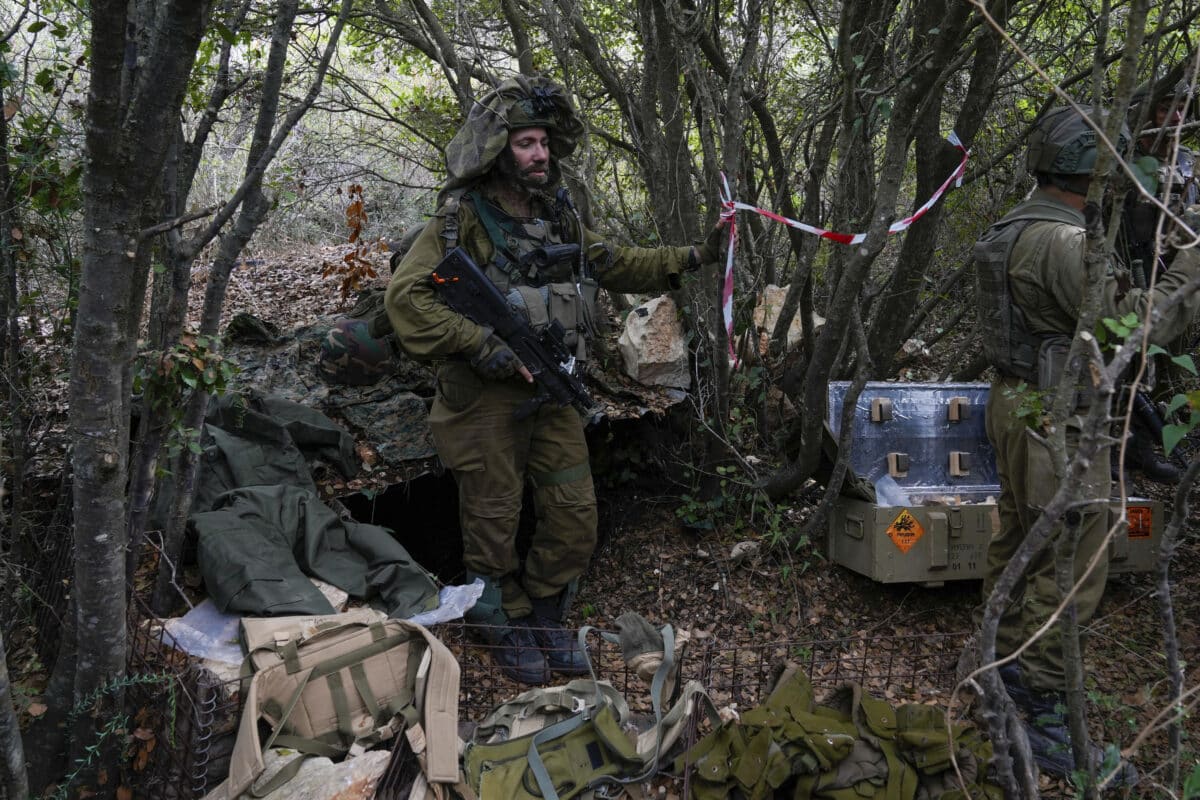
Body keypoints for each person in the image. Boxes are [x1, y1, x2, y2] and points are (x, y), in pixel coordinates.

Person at [385, 75, 723, 684]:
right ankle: (501, 620)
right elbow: (407, 298)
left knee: (574, 512)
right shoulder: (463, 220)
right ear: (499, 151)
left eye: (544, 142)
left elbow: (612, 261)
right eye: (526, 144)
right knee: (492, 519)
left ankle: (544, 612)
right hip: (484, 397)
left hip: (551, 388)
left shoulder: (557, 214)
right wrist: (480, 344)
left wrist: (695, 256)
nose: (539, 154)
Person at [973, 104, 1200, 781]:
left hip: (1019, 403)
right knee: (1073, 560)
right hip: (1056, 416)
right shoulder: (1063, 242)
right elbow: (1134, 326)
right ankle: (1039, 710)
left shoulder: (1016, 225)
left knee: (1022, 543)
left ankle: (998, 680)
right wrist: (1191, 270)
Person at [1116, 81, 1198, 482]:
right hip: (1130, 279)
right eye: (1167, 108)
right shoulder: (1124, 164)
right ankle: (1118, 450)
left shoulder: (1189, 163)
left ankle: (1151, 445)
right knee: (1124, 368)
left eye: (1183, 108)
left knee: (1170, 370)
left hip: (1180, 280)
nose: (1177, 117)